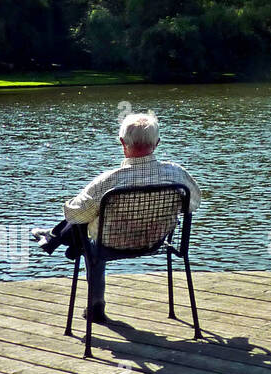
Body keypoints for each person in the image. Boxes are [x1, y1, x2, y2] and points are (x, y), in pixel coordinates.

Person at [32, 111, 200, 323]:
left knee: (83, 230)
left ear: (122, 142)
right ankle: (54, 237)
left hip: (108, 246)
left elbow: (73, 214)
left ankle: (94, 303)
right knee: (85, 224)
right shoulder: (177, 174)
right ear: (157, 143)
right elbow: (192, 205)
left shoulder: (107, 181)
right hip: (156, 243)